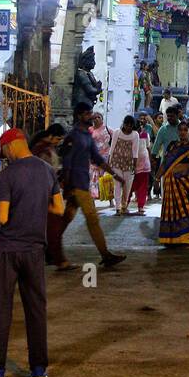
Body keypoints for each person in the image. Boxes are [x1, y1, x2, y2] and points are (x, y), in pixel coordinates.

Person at [0, 128, 64, 377]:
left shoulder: (8, 175)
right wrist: (34, 204)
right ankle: (38, 368)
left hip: (8, 250)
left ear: (11, 145)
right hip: (35, 250)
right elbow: (58, 208)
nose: (5, 155)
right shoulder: (47, 170)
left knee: (0, 308)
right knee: (36, 308)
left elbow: (3, 216)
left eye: (4, 150)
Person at [58, 106, 126, 269]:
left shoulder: (86, 135)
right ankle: (105, 254)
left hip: (81, 183)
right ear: (80, 115)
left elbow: (97, 158)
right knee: (92, 218)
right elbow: (66, 162)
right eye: (88, 113)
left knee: (66, 219)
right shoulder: (73, 136)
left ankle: (48, 247)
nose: (92, 115)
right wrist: (67, 185)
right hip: (76, 184)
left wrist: (114, 174)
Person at [157, 120, 189, 247]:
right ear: (178, 132)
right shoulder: (172, 146)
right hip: (170, 183)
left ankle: (187, 238)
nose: (183, 132)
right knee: (171, 212)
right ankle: (171, 239)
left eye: (185, 130)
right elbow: (165, 163)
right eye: (180, 130)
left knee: (186, 210)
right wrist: (157, 179)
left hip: (186, 185)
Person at [30, 123, 69, 270]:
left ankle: (50, 256)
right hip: (45, 193)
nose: (58, 142)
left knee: (48, 228)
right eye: (58, 139)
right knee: (54, 228)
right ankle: (59, 260)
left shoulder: (43, 147)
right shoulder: (42, 150)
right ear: (51, 136)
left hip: (44, 192)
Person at [107, 115, 143, 214]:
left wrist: (135, 166)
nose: (128, 127)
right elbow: (112, 147)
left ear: (133, 126)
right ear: (124, 124)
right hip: (116, 162)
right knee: (117, 185)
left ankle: (124, 205)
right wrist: (109, 161)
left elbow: (135, 151)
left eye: (131, 125)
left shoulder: (135, 135)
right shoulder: (116, 132)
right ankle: (118, 207)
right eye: (127, 125)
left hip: (129, 163)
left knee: (128, 185)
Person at [131, 119, 152, 214]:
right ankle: (140, 206)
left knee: (130, 185)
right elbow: (148, 148)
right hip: (143, 162)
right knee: (142, 186)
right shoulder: (145, 135)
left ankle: (124, 205)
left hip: (134, 163)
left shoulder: (129, 135)